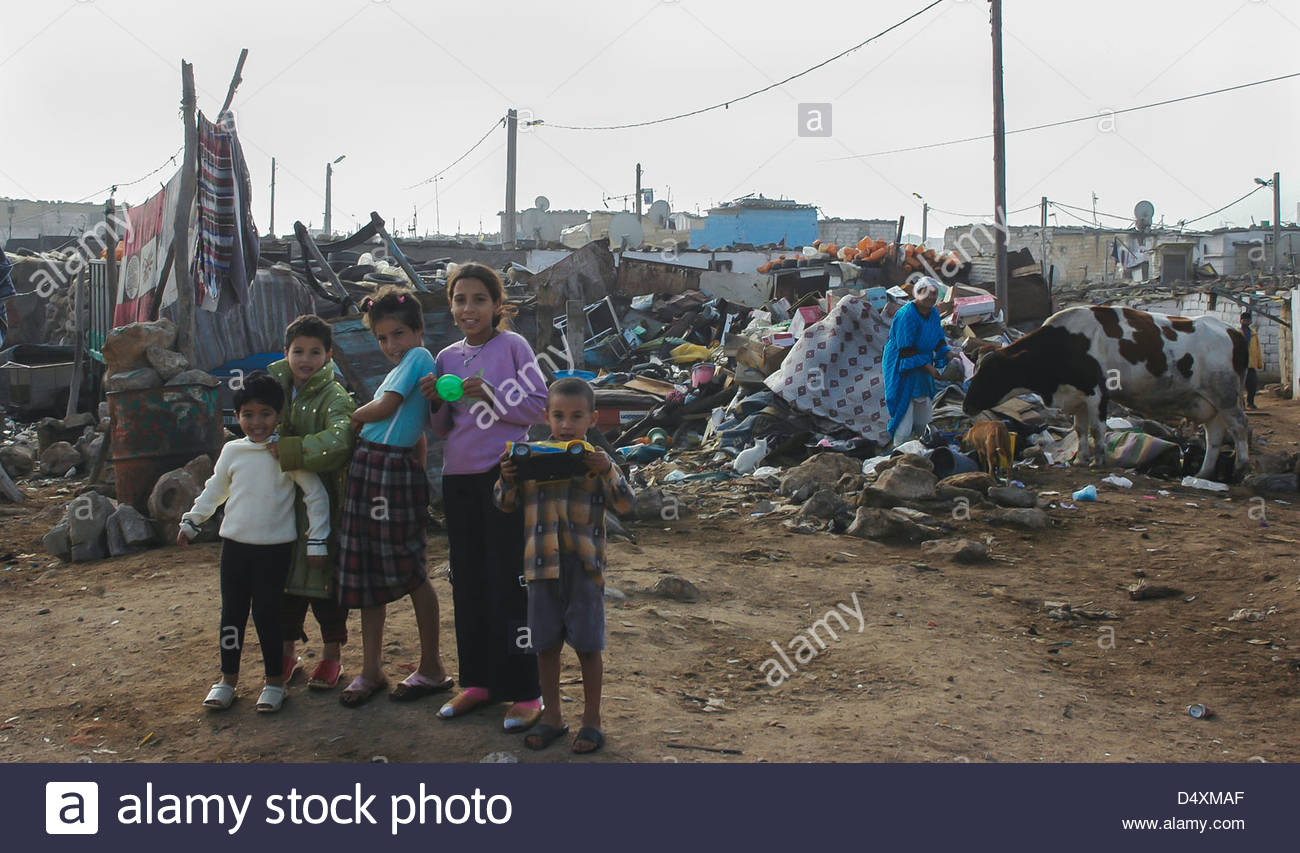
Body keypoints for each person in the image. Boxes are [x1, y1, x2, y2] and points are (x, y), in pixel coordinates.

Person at [419, 263, 547, 732]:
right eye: (459, 300)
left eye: (478, 299)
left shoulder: (513, 346)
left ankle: (526, 691)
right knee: (468, 581)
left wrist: (492, 395)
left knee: (510, 582)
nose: (468, 308)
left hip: (505, 474)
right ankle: (478, 683)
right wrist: (435, 399)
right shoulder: (446, 357)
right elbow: (443, 428)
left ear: (497, 305)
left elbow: (539, 407)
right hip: (458, 478)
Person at [494, 378, 635, 754]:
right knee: (545, 645)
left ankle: (592, 720)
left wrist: (607, 470)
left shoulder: (596, 461)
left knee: (588, 645)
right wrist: (506, 478)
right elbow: (505, 505)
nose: (567, 424)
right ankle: (553, 716)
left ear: (593, 418)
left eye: (576, 416)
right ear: (546, 417)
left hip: (585, 568)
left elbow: (625, 506)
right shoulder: (531, 456)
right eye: (559, 415)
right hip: (540, 567)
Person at [178, 371, 330, 714]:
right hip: (234, 548)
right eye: (248, 414)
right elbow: (215, 489)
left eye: (265, 414)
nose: (256, 422)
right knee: (231, 615)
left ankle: (275, 682)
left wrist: (317, 540)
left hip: (274, 551)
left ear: (278, 415)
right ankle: (227, 680)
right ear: (238, 416)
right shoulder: (232, 451)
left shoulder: (286, 452)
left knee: (267, 616)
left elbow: (316, 495)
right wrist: (191, 521)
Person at [337, 286, 452, 707]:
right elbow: (416, 428)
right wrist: (416, 472)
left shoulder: (420, 359)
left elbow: (386, 408)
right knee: (367, 570)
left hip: (386, 469)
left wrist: (353, 416)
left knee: (411, 568)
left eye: (399, 334)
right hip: (375, 468)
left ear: (419, 331)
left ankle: (433, 667)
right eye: (382, 338)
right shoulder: (404, 364)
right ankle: (371, 669)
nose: (390, 345)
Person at [267, 315, 355, 690]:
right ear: (285, 353)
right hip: (281, 505)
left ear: (328, 354)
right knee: (282, 586)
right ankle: (285, 654)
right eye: (298, 351)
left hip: (326, 505)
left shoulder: (336, 397)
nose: (306, 359)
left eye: (314, 352)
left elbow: (339, 443)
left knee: (324, 585)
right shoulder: (273, 391)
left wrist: (287, 449)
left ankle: (331, 657)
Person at [883, 278, 951, 447]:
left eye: (934, 294)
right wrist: (929, 368)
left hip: (923, 364)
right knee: (904, 413)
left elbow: (938, 338)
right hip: (902, 363)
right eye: (927, 293)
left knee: (924, 407)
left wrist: (948, 353)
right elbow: (906, 350)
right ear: (918, 293)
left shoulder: (933, 313)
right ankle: (898, 450)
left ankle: (922, 446)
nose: (931, 297)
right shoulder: (906, 315)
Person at [1240, 311, 1263, 409]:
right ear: (1240, 321)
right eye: (1244, 320)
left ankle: (1251, 403)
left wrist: (1259, 363)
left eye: (1248, 320)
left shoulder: (1253, 334)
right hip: (1239, 365)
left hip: (1251, 364)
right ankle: (1241, 404)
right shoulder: (1237, 333)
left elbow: (1257, 349)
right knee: (1239, 386)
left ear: (1250, 321)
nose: (1246, 321)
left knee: (1252, 385)